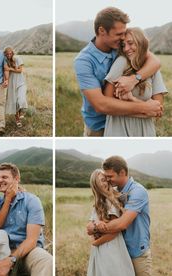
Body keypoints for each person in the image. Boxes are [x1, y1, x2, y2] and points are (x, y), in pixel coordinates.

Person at [74, 7, 162, 137]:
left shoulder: (123, 48)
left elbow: (155, 61)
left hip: (130, 121)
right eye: (119, 34)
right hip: (98, 126)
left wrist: (134, 79)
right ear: (102, 31)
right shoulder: (83, 61)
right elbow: (101, 105)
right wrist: (145, 108)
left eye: (124, 33)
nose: (123, 38)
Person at [0, 163, 53, 276]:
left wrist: (11, 260)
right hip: (3, 251)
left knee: (47, 261)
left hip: (28, 252)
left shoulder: (31, 201)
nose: (0, 180)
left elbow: (32, 240)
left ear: (16, 179)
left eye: (5, 177)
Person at [87, 156, 152, 276]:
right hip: (119, 251)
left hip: (136, 251)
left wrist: (95, 229)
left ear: (122, 173)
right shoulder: (112, 192)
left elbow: (121, 224)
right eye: (105, 177)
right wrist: (93, 224)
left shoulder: (138, 191)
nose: (107, 180)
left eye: (110, 176)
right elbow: (94, 219)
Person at [103, 27, 167, 136]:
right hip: (119, 128)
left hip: (145, 131)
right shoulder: (121, 62)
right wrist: (146, 110)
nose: (126, 49)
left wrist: (132, 99)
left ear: (141, 43)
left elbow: (158, 110)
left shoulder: (153, 68)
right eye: (123, 45)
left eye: (130, 43)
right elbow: (107, 104)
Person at [87, 169, 135, 276]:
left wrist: (95, 243)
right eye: (100, 181)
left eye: (105, 180)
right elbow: (89, 227)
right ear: (95, 185)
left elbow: (115, 231)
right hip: (102, 248)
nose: (104, 183)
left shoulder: (110, 201)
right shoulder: (100, 201)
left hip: (110, 247)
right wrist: (95, 225)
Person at [4, 47, 28, 128]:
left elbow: (20, 70)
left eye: (10, 53)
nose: (9, 55)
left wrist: (10, 68)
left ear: (12, 53)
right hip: (12, 83)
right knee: (14, 101)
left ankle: (21, 112)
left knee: (21, 99)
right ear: (5, 54)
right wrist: (6, 80)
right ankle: (17, 120)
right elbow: (5, 71)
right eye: (7, 54)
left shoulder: (18, 58)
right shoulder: (5, 61)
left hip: (21, 82)